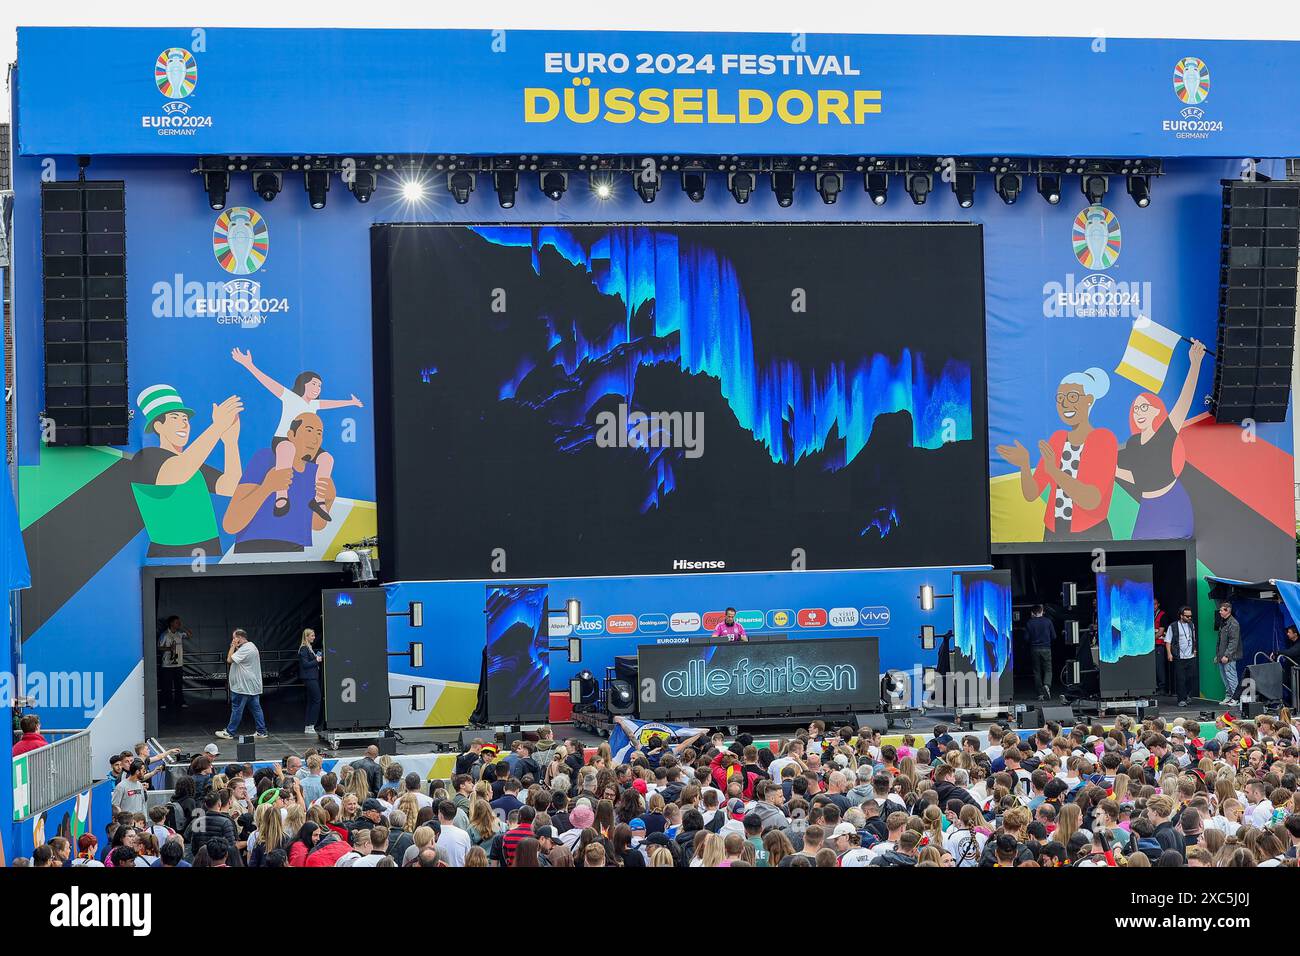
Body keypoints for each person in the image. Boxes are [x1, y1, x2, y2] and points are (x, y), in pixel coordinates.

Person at [230, 349, 361, 521]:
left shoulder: (314, 405)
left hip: (306, 444)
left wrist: (351, 402)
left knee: (327, 459)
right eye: (313, 384)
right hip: (285, 439)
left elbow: (331, 404)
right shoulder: (290, 397)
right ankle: (281, 496)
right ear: (303, 383)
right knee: (287, 449)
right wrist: (249, 364)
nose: (317, 388)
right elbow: (268, 382)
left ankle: (318, 501)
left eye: (319, 386)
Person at [996, 367, 1118, 540]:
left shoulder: (1103, 439)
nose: (1065, 404)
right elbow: (1032, 494)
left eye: (1072, 397)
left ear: (1089, 400)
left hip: (1091, 535)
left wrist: (1054, 471)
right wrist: (1024, 464)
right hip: (1053, 533)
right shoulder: (1057, 439)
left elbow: (1091, 500)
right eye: (1060, 398)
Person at [130, 385, 243, 558]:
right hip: (169, 555)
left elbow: (230, 487)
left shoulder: (192, 466)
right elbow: (179, 473)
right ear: (158, 426)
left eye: (185, 418)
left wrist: (230, 442)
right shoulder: (147, 459)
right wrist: (217, 427)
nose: (183, 423)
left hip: (209, 551)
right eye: (175, 418)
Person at [1113, 339, 1205, 539]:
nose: (1139, 412)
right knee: (1138, 553)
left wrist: (1195, 363)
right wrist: (1112, 470)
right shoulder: (1133, 443)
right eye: (1136, 408)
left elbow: (1184, 400)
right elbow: (1139, 478)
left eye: (1144, 407)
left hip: (1172, 502)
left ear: (1156, 411)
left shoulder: (1165, 433)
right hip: (1148, 507)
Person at [223, 412, 337, 553]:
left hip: (296, 553)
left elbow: (317, 524)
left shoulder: (316, 473)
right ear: (291, 435)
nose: (314, 439)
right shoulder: (265, 458)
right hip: (252, 550)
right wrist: (267, 487)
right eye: (308, 430)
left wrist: (329, 500)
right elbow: (230, 524)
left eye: (319, 433)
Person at [215, 629, 268, 740]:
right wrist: (237, 647)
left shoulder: (246, 649)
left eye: (234, 638)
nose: (233, 640)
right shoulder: (250, 646)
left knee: (237, 708)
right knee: (256, 708)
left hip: (243, 686)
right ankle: (261, 731)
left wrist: (233, 646)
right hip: (251, 686)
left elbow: (229, 659)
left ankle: (230, 732)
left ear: (239, 638)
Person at [1165, 606, 1199, 707]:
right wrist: (1169, 654)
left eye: (1190, 616)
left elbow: (1193, 639)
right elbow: (1168, 641)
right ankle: (1181, 699)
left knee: (1191, 677)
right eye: (1187, 616)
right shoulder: (1173, 626)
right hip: (1179, 656)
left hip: (1191, 656)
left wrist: (1195, 650)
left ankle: (1187, 695)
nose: (1189, 618)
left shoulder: (1191, 625)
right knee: (1180, 678)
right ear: (1181, 616)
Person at [158, 615, 191, 709]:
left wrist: (183, 627)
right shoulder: (165, 635)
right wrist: (169, 648)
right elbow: (159, 647)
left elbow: (190, 635)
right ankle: (165, 703)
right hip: (167, 664)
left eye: (179, 622)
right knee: (166, 685)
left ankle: (180, 702)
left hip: (178, 664)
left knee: (178, 685)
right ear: (171, 623)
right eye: (177, 622)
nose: (178, 624)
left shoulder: (179, 634)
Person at [1214, 601, 1243, 705]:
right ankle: (1229, 696)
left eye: (1221, 610)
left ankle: (1236, 698)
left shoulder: (1234, 623)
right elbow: (1220, 641)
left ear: (1228, 611)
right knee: (1225, 677)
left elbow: (1233, 642)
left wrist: (1227, 655)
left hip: (1229, 657)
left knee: (1231, 676)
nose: (1220, 612)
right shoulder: (1223, 622)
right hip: (1222, 656)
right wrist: (1218, 655)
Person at [1026, 605, 1055, 701]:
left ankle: (1040, 694)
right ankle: (1047, 685)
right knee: (1048, 669)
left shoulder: (1029, 623)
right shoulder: (1048, 621)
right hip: (1046, 648)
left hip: (1034, 649)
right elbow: (1054, 636)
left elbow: (1026, 638)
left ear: (1033, 613)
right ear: (1042, 611)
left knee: (1037, 671)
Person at [299, 628, 323, 734]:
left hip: (312, 677)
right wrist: (316, 660)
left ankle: (308, 726)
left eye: (314, 635)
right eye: (312, 636)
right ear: (307, 637)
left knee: (311, 701)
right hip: (310, 678)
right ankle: (311, 724)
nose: (314, 637)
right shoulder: (304, 649)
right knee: (317, 700)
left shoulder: (309, 648)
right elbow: (305, 664)